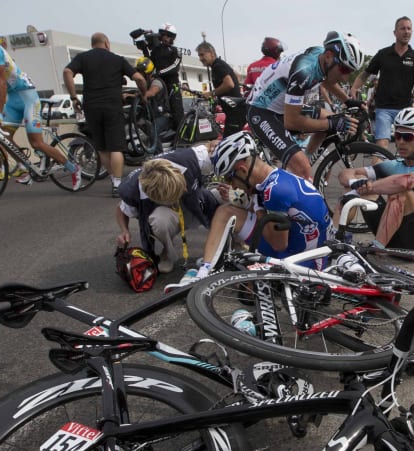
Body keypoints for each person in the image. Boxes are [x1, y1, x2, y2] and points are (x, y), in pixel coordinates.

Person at [168, 131, 332, 287]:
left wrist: (255, 203)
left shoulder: (274, 192)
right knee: (226, 212)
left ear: (242, 170)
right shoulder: (274, 178)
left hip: (302, 261)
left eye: (230, 178)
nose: (231, 184)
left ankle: (210, 270)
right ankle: (205, 270)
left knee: (244, 283)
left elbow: (278, 244)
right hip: (303, 243)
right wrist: (249, 202)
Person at [0, 8, 83, 190]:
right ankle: (28, 167)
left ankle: (74, 168)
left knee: (36, 142)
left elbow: (1, 83)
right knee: (5, 139)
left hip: (27, 96)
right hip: (12, 99)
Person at [246, 31, 364, 181]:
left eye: (351, 71)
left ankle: (300, 168)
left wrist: (347, 101)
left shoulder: (322, 56)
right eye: (344, 69)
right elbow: (291, 122)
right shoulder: (304, 72)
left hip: (282, 107)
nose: (345, 77)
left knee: (328, 119)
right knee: (303, 166)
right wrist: (332, 123)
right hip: (262, 111)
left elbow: (326, 80)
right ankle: (295, 174)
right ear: (328, 56)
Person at [335, 107, 414, 252]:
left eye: (407, 137)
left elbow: (405, 182)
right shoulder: (395, 165)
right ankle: (333, 238)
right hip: (394, 237)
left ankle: (376, 250)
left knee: (400, 191)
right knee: (357, 183)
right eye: (398, 135)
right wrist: (356, 183)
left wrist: (369, 187)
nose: (400, 142)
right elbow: (346, 173)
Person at [115, 143, 221, 274]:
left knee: (231, 198)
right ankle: (166, 253)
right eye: (180, 190)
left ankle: (230, 244)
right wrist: (124, 231)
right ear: (159, 198)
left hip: (201, 198)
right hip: (171, 211)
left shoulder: (190, 158)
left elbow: (216, 147)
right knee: (159, 221)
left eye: (183, 184)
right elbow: (121, 209)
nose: (185, 189)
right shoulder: (133, 190)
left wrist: (228, 182)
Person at [64, 32, 147, 198]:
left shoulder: (83, 58)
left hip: (91, 106)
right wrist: (143, 94)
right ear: (107, 43)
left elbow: (67, 72)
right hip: (112, 105)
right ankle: (117, 184)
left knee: (102, 147)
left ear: (92, 43)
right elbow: (139, 78)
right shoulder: (117, 59)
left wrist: (73, 97)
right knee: (116, 147)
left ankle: (112, 178)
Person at [350, 16, 414, 152]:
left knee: (409, 148)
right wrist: (354, 88)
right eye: (403, 28)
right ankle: (380, 172)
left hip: (405, 110)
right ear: (395, 33)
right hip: (383, 109)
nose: (406, 32)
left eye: (409, 29)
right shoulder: (383, 54)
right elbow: (366, 73)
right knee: (382, 147)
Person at [196, 41, 246, 137]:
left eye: (202, 55)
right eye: (199, 56)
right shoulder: (219, 64)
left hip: (235, 112)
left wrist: (211, 93)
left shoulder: (217, 66)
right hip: (234, 110)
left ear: (211, 53)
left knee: (229, 142)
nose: (200, 58)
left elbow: (229, 84)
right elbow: (237, 76)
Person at [134, 56, 172, 136]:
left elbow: (151, 92)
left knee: (152, 131)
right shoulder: (144, 85)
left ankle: (157, 149)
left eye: (140, 72)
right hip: (150, 117)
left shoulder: (156, 82)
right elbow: (138, 95)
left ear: (147, 73)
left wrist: (143, 94)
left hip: (162, 117)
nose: (139, 74)